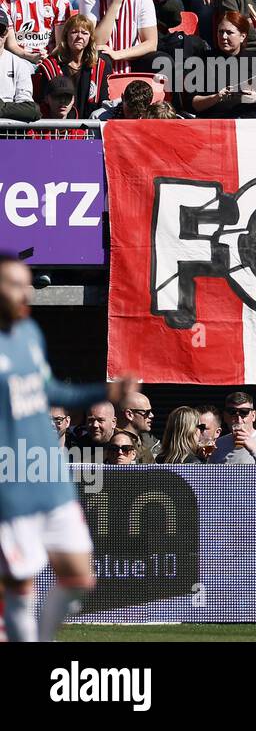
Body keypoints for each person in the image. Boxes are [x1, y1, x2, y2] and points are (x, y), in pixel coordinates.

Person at [0, 256, 137, 641]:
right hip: (13, 485)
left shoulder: (28, 334)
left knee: (79, 577)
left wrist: (104, 391)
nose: (21, 291)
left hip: (52, 481)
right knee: (19, 588)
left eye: (22, 283)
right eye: (11, 284)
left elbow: (52, 391)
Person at [182, 11, 256, 117]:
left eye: (229, 32)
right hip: (213, 120)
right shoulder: (202, 60)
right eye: (220, 31)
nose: (223, 36)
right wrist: (216, 98)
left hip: (247, 121)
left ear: (242, 36)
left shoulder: (255, 60)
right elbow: (191, 104)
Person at [35, 12, 111, 116]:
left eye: (84, 33)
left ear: (90, 38)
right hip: (60, 126)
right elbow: (45, 102)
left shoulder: (100, 65)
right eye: (74, 32)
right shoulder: (50, 65)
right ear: (66, 36)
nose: (79, 36)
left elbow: (104, 102)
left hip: (91, 125)